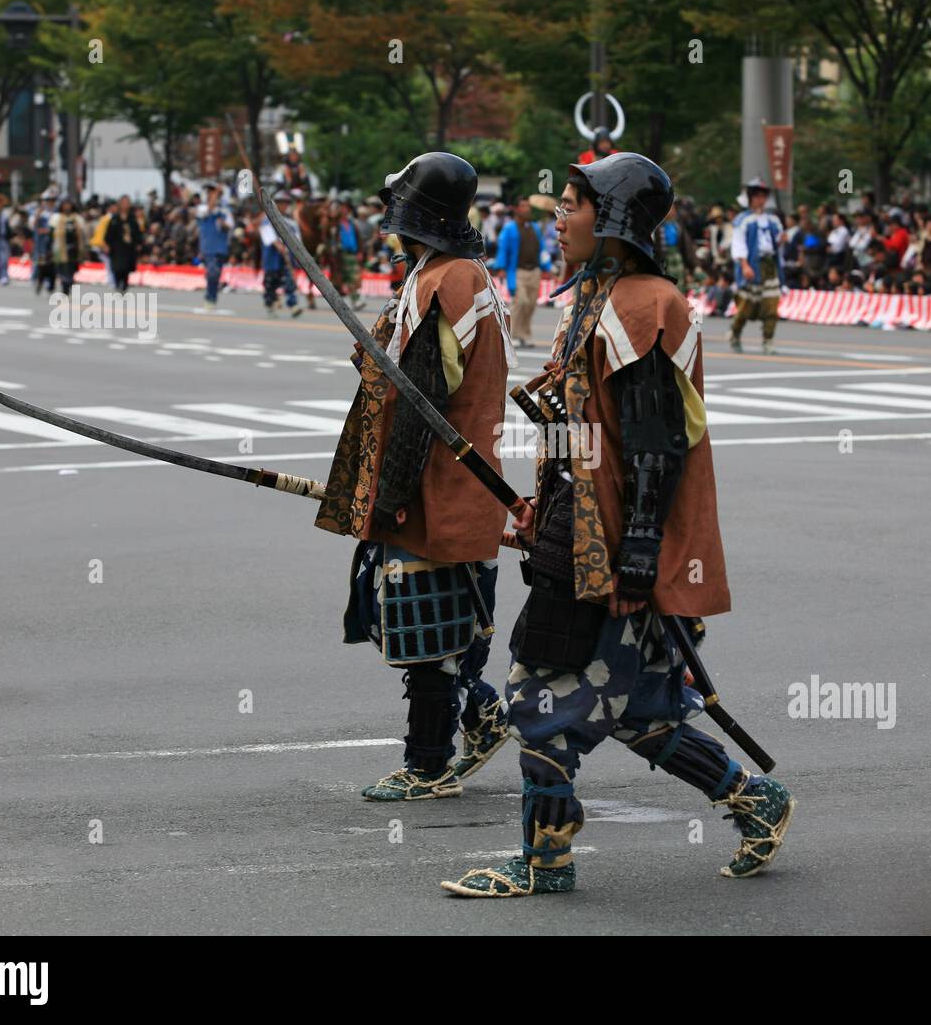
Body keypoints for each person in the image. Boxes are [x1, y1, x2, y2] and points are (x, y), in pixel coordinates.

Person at [441, 152, 794, 899]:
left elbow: (657, 443)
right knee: (640, 709)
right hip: (583, 528)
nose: (558, 216)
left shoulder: (642, 307)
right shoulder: (598, 300)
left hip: (616, 550)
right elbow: (587, 437)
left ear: (614, 219)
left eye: (572, 203)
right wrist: (548, 502)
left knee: (537, 696)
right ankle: (754, 800)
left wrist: (635, 552)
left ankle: (545, 861)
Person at [313, 151, 516, 802]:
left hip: (441, 487)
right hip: (463, 485)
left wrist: (392, 497)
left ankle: (427, 766)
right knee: (437, 625)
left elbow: (423, 401)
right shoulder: (453, 274)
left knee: (427, 639)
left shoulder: (442, 286)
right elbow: (397, 370)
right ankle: (480, 714)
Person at [729, 176, 785, 354]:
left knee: (771, 304)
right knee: (746, 306)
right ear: (751, 198)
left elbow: (776, 244)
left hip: (770, 266)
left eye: (763, 196)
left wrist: (782, 240)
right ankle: (735, 334)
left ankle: (768, 340)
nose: (761, 200)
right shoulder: (742, 220)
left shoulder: (773, 220)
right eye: (757, 196)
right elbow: (738, 245)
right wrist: (745, 265)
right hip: (752, 265)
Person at [492, 195, 546, 349]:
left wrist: (547, 267)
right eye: (523, 206)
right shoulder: (509, 228)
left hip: (534, 270)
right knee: (520, 302)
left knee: (531, 305)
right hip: (517, 271)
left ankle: (525, 334)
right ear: (516, 209)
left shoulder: (534, 227)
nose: (527, 209)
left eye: (528, 206)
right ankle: (514, 334)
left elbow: (542, 249)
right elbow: (503, 249)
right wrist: (501, 267)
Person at [259, 191, 302, 316]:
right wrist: (279, 246)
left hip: (286, 257)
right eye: (280, 203)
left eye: (285, 203)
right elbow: (269, 238)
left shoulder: (291, 223)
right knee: (271, 283)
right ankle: (270, 304)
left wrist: (293, 251)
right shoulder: (267, 221)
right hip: (272, 258)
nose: (283, 206)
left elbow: (297, 239)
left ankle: (293, 304)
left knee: (289, 280)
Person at [196, 182, 233, 308]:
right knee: (212, 271)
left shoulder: (225, 210)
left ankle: (212, 297)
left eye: (215, 193)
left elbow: (230, 225)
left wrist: (224, 224)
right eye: (210, 193)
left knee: (216, 274)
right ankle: (209, 297)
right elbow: (209, 209)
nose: (212, 195)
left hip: (221, 247)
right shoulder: (202, 208)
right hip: (208, 247)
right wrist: (216, 193)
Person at [50, 198, 87, 297]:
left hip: (74, 247)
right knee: (61, 268)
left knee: (71, 267)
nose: (67, 207)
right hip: (60, 247)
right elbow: (50, 232)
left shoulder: (78, 218)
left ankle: (69, 282)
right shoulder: (56, 217)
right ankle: (65, 286)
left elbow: (83, 233)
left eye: (69, 205)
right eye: (65, 205)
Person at [106, 195, 142, 294]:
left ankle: (124, 285)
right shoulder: (115, 218)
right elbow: (109, 233)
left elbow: (137, 232)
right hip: (117, 247)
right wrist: (107, 245)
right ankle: (118, 284)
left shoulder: (132, 218)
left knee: (126, 267)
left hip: (128, 247)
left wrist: (138, 243)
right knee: (117, 267)